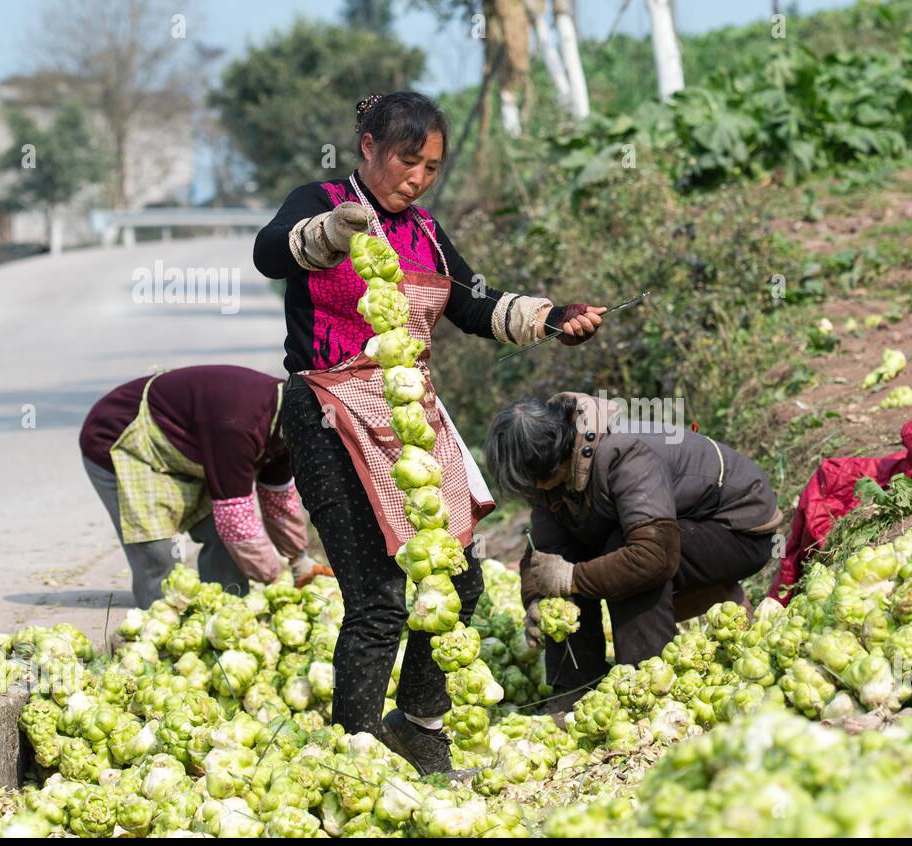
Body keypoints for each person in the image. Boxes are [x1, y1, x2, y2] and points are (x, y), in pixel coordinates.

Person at [254, 90, 605, 773]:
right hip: (328, 408)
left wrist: (550, 317)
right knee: (379, 598)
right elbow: (272, 253)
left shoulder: (425, 232)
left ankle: (418, 722)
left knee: (462, 581)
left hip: (409, 413)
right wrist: (329, 233)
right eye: (406, 161)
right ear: (368, 149)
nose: (416, 178)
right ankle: (352, 756)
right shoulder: (317, 198)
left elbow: (475, 303)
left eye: (431, 169)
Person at [485, 392, 782, 710]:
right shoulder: (547, 476)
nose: (538, 491)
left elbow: (653, 556)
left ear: (555, 457)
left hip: (734, 530)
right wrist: (536, 601)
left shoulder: (624, 453)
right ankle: (575, 686)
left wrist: (572, 577)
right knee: (564, 570)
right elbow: (546, 552)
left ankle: (646, 682)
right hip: (668, 528)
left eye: (539, 481)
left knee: (625, 557)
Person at [79, 366, 321, 608]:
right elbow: (235, 518)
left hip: (180, 452)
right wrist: (275, 581)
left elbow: (278, 500)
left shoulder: (288, 429)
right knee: (158, 550)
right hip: (124, 439)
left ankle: (228, 605)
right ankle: (158, 613)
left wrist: (299, 560)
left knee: (222, 537)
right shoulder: (240, 424)